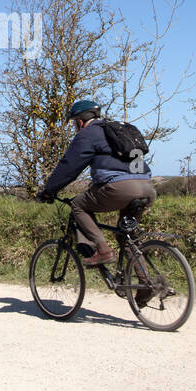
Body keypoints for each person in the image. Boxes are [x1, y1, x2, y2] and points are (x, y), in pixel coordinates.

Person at [36, 100, 157, 266]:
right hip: (147, 187)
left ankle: (103, 250)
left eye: (74, 123)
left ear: (79, 122)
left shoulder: (88, 134)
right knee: (125, 236)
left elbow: (69, 167)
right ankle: (148, 284)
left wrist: (49, 190)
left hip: (121, 188)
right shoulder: (116, 131)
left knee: (78, 205)